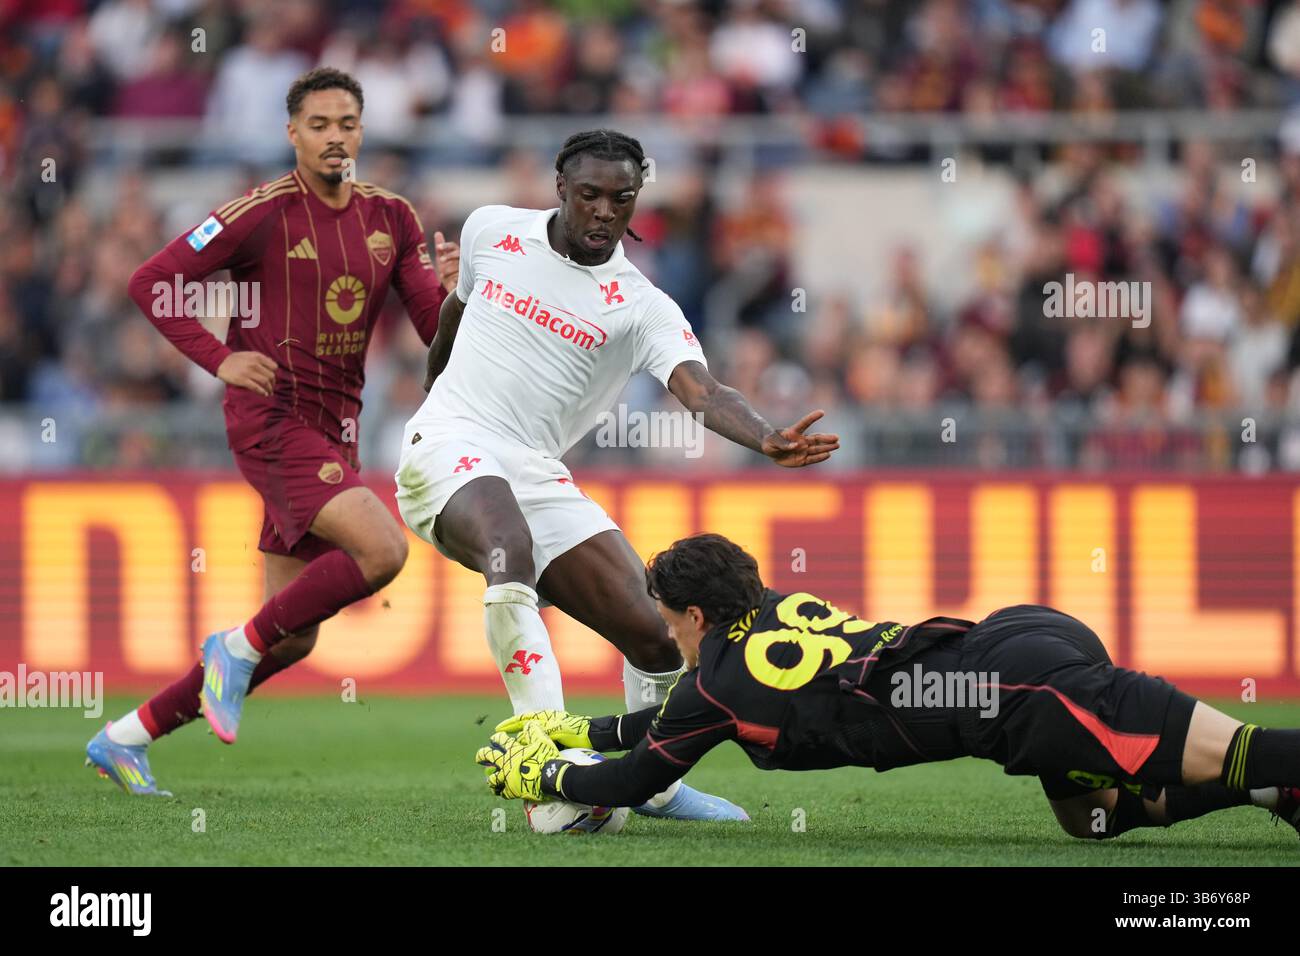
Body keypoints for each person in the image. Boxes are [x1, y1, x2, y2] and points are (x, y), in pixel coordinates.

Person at [396, 129, 839, 820]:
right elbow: (456, 311)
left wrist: (766, 438)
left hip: (535, 471)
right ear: (560, 189)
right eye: (591, 195)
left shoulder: (641, 305)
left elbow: (703, 391)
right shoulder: (491, 230)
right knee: (506, 546)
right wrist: (432, 395)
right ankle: (540, 764)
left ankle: (654, 785)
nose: (605, 210)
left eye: (622, 198)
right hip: (448, 441)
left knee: (658, 636)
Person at [86, 67, 460, 794]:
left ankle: (125, 736)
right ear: (292, 134)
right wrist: (221, 360)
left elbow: (428, 334)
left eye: (346, 124)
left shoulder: (393, 218)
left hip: (337, 429)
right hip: (273, 420)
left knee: (292, 636)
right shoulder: (260, 213)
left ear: (362, 130)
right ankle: (234, 649)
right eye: (318, 125)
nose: (333, 138)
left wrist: (455, 296)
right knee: (382, 550)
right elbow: (150, 281)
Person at [477, 533, 1300, 841]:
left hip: (1008, 689)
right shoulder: (765, 609)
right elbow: (656, 734)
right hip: (1006, 640)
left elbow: (641, 773)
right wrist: (574, 731)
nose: (668, 636)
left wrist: (545, 776)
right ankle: (1272, 793)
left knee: (1234, 747)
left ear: (696, 612)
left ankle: (1270, 772)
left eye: (669, 620)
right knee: (1101, 816)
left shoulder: (716, 684)